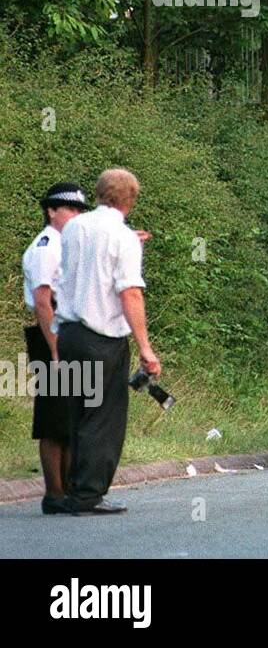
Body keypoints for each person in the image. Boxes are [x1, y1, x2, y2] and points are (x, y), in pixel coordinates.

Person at [48, 168, 162, 515]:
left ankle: (70, 489)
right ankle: (88, 495)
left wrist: (128, 243)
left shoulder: (73, 229)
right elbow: (129, 293)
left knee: (77, 412)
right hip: (102, 338)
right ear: (130, 199)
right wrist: (145, 348)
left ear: (98, 193)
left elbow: (84, 268)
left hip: (68, 333)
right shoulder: (122, 237)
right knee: (103, 419)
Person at [21, 183, 91, 513]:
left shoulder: (68, 245)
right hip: (53, 334)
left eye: (80, 211)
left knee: (72, 418)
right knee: (53, 418)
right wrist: (54, 346)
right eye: (70, 210)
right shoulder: (46, 246)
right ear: (51, 211)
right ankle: (55, 493)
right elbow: (42, 300)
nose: (76, 216)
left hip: (71, 333)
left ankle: (69, 490)